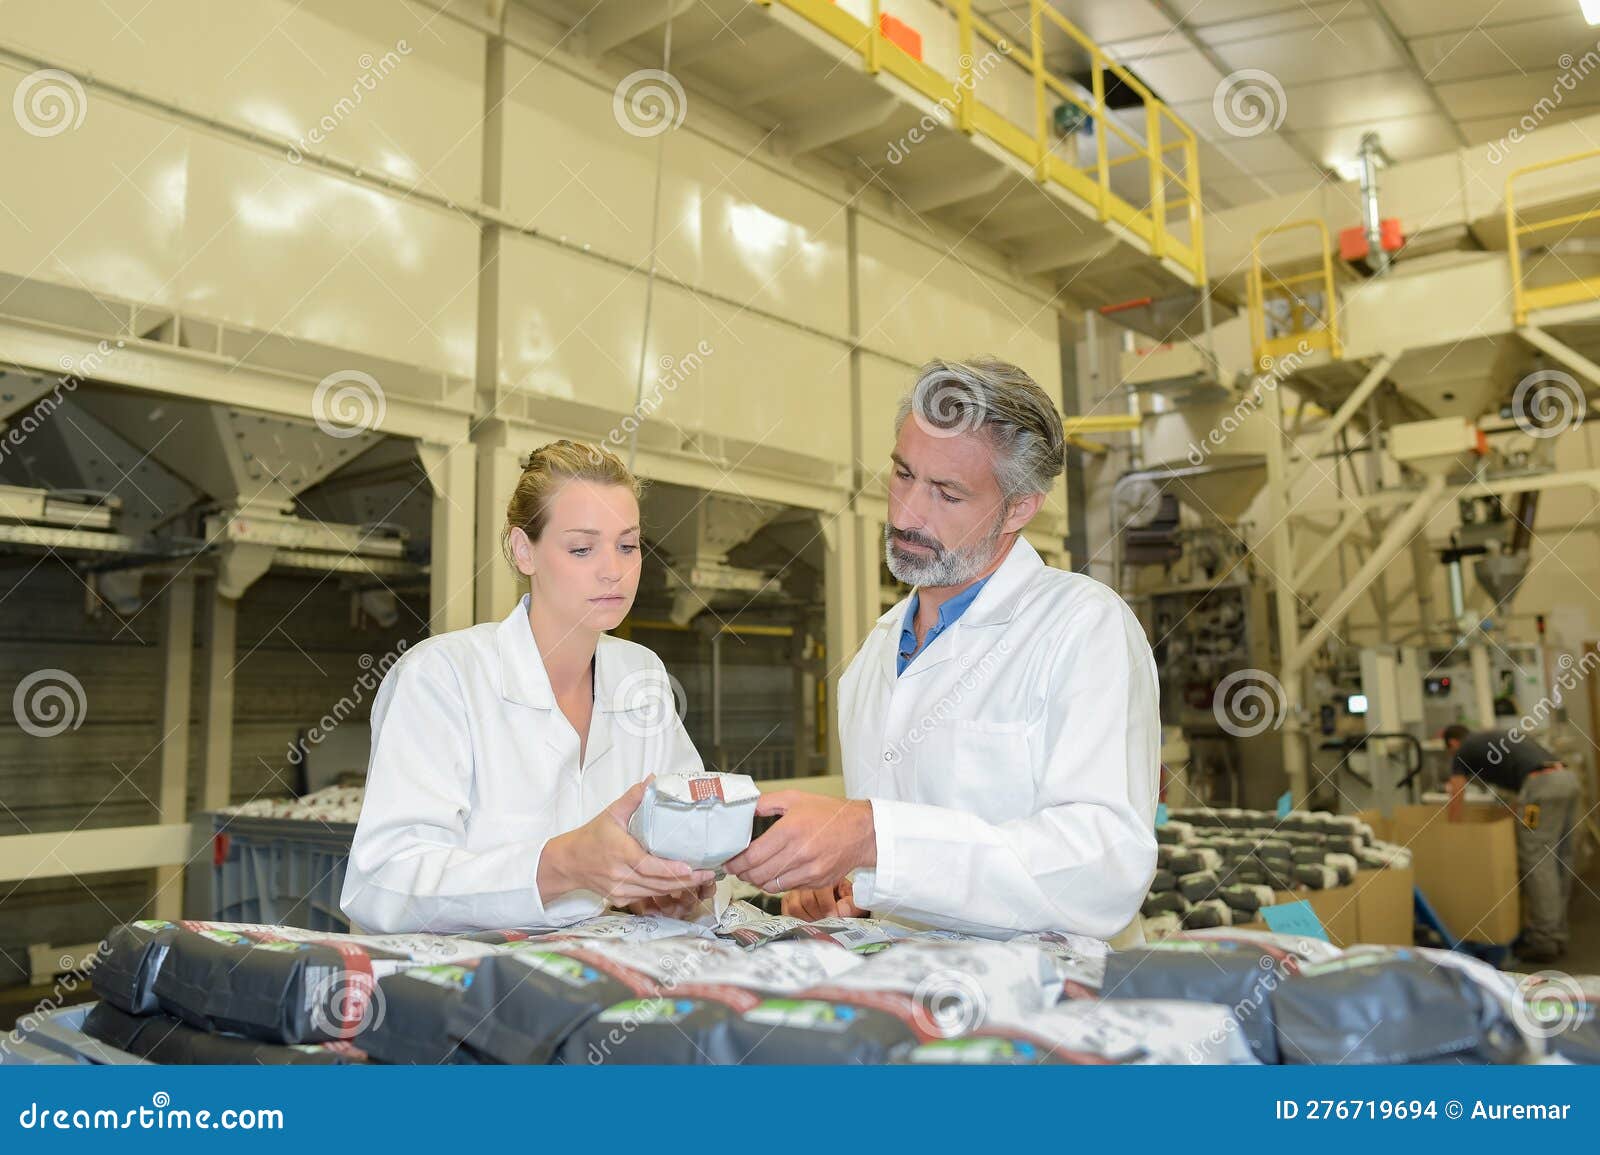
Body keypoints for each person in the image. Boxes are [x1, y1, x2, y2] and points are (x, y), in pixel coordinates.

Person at [725, 357, 1160, 941]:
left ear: (1019, 507)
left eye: (947, 494)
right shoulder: (876, 654)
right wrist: (846, 886)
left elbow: (1104, 866)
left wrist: (872, 836)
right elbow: (906, 870)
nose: (906, 513)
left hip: (1044, 1009)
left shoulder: (1084, 628)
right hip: (907, 999)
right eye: (903, 475)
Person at [340, 440, 716, 933]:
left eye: (627, 545)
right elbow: (382, 883)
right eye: (582, 548)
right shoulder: (442, 677)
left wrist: (675, 892)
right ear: (524, 551)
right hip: (463, 997)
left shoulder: (641, 675)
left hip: (602, 987)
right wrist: (558, 866)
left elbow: (689, 829)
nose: (614, 568)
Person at [1442, 723, 1580, 963]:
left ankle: (1543, 940)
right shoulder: (1489, 737)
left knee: (1536, 859)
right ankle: (1556, 934)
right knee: (1559, 858)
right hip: (1567, 781)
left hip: (1541, 790)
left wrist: (1451, 833)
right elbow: (1520, 783)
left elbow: (1456, 794)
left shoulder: (1462, 752)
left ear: (1453, 743)